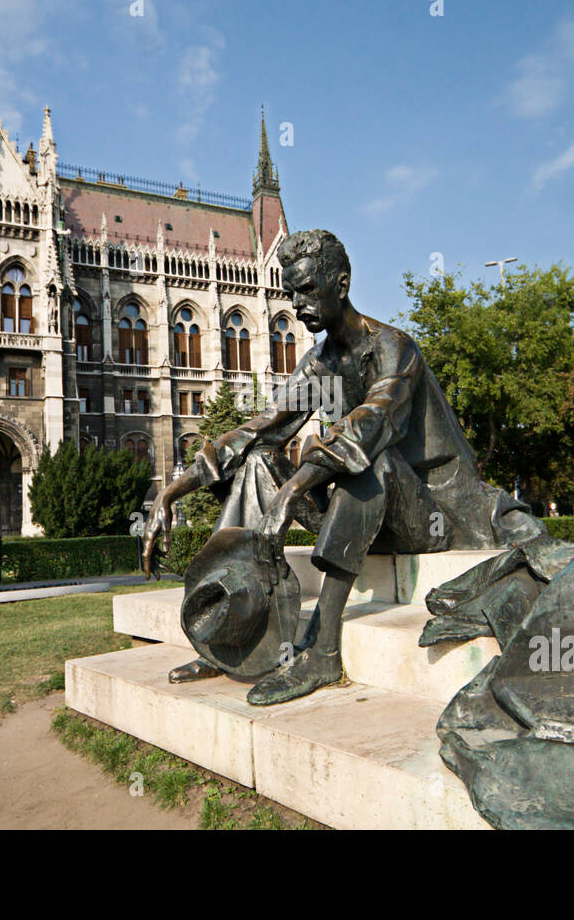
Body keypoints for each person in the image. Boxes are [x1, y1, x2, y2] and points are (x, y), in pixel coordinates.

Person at [142, 229, 540, 705]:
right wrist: (171, 492)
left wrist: (294, 490)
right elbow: (262, 428)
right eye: (291, 293)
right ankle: (229, 629)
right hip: (368, 514)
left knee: (370, 456)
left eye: (308, 290)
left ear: (342, 284)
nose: (298, 304)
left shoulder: (395, 348)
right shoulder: (320, 364)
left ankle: (323, 650)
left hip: (431, 515)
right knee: (257, 462)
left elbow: (371, 426)